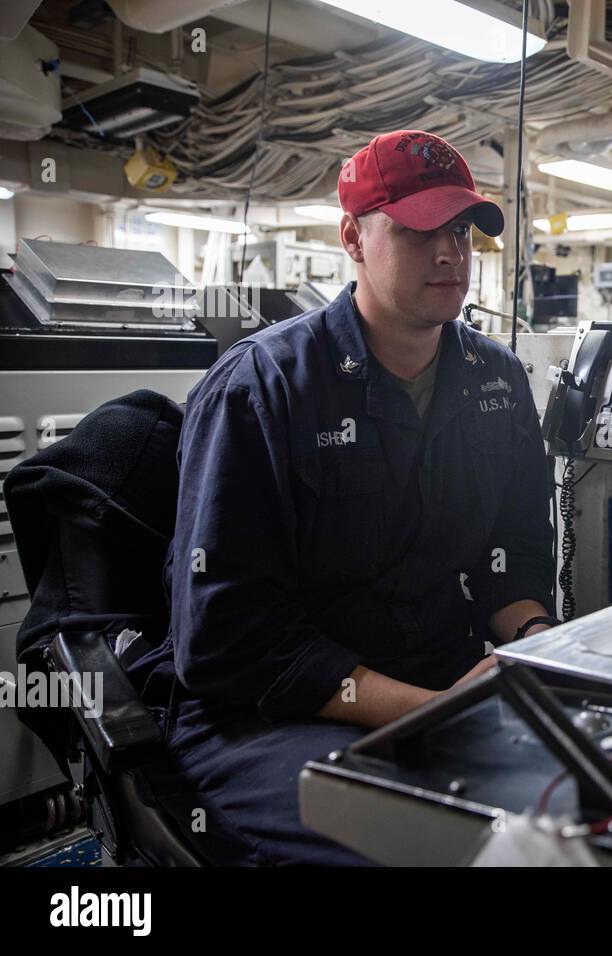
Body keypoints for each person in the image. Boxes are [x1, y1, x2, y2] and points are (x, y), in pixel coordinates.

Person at [133, 130, 558, 865]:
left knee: (587, 814)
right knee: (418, 849)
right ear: (353, 239)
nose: (451, 252)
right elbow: (231, 638)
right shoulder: (263, 388)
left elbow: (513, 553)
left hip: (438, 681)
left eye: (460, 229)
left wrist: (535, 648)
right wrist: (432, 709)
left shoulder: (495, 379)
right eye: (420, 229)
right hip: (268, 719)